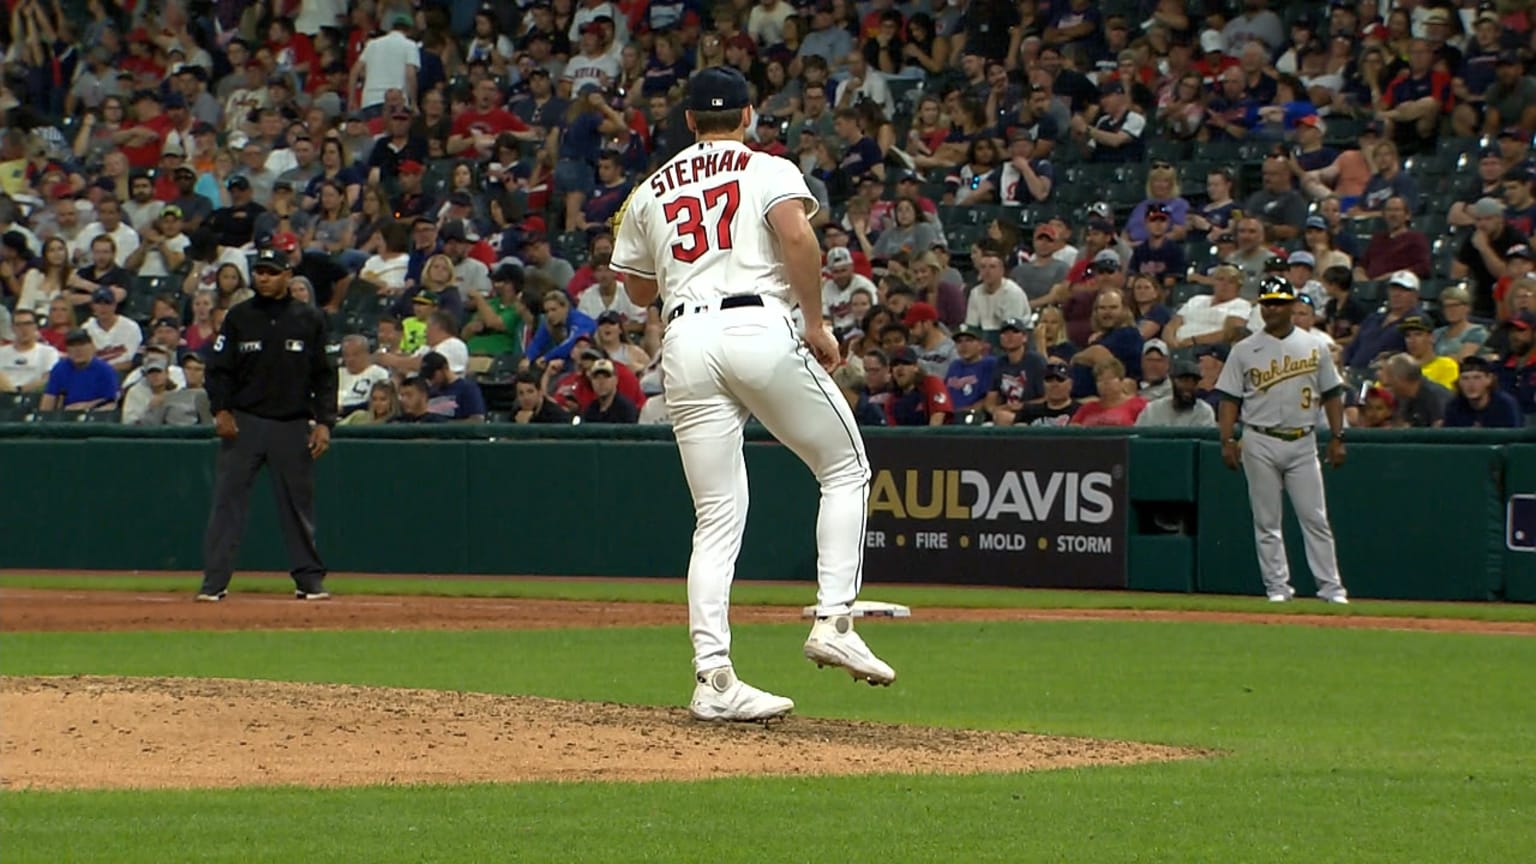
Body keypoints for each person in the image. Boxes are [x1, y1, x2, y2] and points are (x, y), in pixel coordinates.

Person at [609, 68, 893, 723]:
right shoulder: (767, 166)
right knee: (845, 467)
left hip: (683, 340)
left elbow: (638, 290)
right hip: (754, 323)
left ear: (687, 122)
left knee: (715, 519)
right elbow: (796, 234)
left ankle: (713, 679)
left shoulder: (651, 188)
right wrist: (817, 324)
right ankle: (834, 621)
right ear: (748, 114)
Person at [198, 248, 337, 603]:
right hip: (245, 422)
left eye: (271, 272)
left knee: (297, 507)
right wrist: (221, 411)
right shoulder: (239, 317)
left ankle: (309, 580)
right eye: (259, 271)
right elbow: (218, 369)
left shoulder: (309, 319)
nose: (263, 277)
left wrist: (324, 423)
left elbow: (325, 376)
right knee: (227, 504)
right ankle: (214, 581)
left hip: (291, 424)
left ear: (288, 275)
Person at [1216, 278, 1349, 605]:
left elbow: (1332, 394)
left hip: (1303, 440)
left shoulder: (1314, 345)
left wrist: (1337, 436)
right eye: (1266, 302)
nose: (1271, 307)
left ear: (1291, 305)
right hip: (1259, 438)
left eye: (1277, 302)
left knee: (1315, 518)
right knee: (1267, 521)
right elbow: (1229, 399)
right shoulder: (1244, 349)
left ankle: (1332, 589)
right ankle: (1277, 588)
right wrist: (1226, 439)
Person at [39, 329, 119, 412]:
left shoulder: (105, 370)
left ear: (92, 347)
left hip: (94, 417)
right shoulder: (60, 368)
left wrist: (84, 407)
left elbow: (111, 403)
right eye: (72, 345)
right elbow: (49, 399)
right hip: (66, 418)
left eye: (82, 344)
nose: (77, 350)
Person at [1443, 356, 1522, 428]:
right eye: (1465, 378)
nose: (1471, 384)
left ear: (1489, 379)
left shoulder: (1505, 405)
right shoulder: (1454, 406)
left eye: (1477, 377)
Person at [1136, 359, 1216, 427]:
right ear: (1172, 380)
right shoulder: (1152, 410)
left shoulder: (1204, 412)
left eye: (1194, 382)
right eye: (1185, 381)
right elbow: (1136, 438)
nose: (1189, 386)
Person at [1069, 358, 1146, 427]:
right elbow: (1072, 429)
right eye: (1100, 380)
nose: (1105, 383)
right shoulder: (1087, 408)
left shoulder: (1138, 404)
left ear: (1121, 381)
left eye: (1110, 378)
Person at [579, 358, 639, 423]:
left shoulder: (626, 410)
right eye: (596, 377)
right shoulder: (590, 410)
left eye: (606, 377)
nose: (601, 382)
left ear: (615, 380)